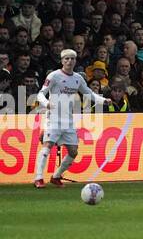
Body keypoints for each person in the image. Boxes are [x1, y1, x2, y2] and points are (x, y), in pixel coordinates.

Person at [32, 49, 107, 188]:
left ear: (75, 61)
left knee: (73, 151)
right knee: (47, 145)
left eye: (72, 59)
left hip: (68, 120)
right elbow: (40, 94)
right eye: (66, 59)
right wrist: (47, 103)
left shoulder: (78, 78)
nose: (69, 61)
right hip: (53, 118)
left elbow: (88, 93)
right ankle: (38, 178)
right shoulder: (54, 76)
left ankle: (56, 176)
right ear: (62, 61)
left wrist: (102, 100)